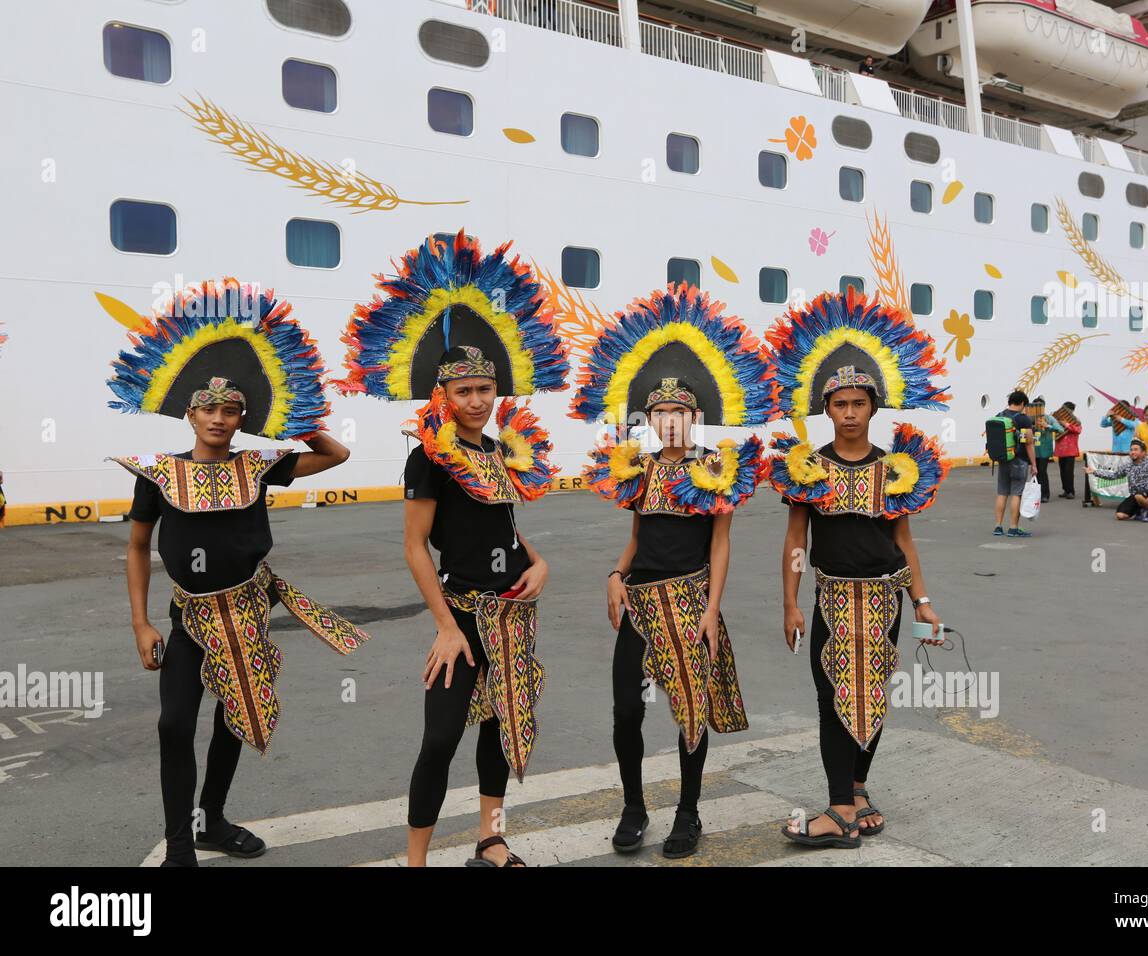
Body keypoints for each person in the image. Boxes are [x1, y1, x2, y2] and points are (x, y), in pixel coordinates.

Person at [107, 280, 368, 867]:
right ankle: (180, 846)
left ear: (241, 417)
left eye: (230, 411)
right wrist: (140, 623)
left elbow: (335, 456)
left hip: (249, 617)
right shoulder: (157, 473)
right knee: (175, 726)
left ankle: (212, 819)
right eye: (208, 409)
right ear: (188, 412)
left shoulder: (258, 464)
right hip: (188, 622)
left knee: (235, 718)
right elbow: (136, 548)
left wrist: (297, 414)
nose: (219, 419)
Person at [334, 230, 570, 868]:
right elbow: (415, 547)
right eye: (463, 392)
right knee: (439, 739)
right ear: (443, 396)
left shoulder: (502, 453)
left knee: (499, 732)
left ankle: (491, 839)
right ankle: (416, 862)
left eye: (484, 391)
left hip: (515, 611)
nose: (475, 401)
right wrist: (445, 626)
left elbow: (503, 527)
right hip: (462, 614)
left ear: (496, 394)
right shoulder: (428, 457)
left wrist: (539, 560)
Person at [572, 285, 774, 858]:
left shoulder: (717, 469)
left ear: (694, 417)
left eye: (677, 413)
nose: (668, 423)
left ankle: (688, 813)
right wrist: (615, 574)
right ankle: (634, 807)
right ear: (649, 418)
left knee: (691, 711)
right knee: (626, 709)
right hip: (638, 602)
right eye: (658, 414)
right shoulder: (635, 470)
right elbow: (637, 538)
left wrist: (711, 611)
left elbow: (721, 546)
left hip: (690, 603)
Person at [765, 289, 949, 849]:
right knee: (831, 697)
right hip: (834, 601)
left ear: (873, 408)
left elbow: (904, 541)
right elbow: (797, 541)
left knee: (873, 693)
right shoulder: (807, 469)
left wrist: (921, 601)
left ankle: (857, 790)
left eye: (857, 404)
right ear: (828, 410)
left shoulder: (897, 470)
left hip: (885, 600)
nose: (849, 414)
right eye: (839, 405)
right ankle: (840, 805)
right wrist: (792, 601)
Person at [992, 390, 1037, 537]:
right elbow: (1029, 443)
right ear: (1023, 403)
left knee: (1002, 493)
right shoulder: (1024, 419)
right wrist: (1034, 464)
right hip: (1019, 460)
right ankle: (1013, 527)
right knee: (1016, 494)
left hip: (1003, 459)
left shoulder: (999, 416)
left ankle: (998, 526)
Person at [1030, 396, 1065, 502]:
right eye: (1035, 406)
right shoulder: (1029, 417)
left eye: (1039, 406)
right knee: (1033, 472)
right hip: (1032, 450)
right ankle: (1035, 494)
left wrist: (1047, 426)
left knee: (1042, 471)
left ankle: (1045, 494)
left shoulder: (1049, 418)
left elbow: (1061, 429)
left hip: (1044, 450)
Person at [1053, 402, 1083, 499]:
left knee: (1069, 471)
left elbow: (1078, 430)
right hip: (1061, 449)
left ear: (1071, 411)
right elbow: (1054, 428)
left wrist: (1066, 424)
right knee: (1062, 471)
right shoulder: (1058, 419)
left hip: (1070, 449)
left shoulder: (1076, 421)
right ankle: (1065, 490)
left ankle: (1071, 491)